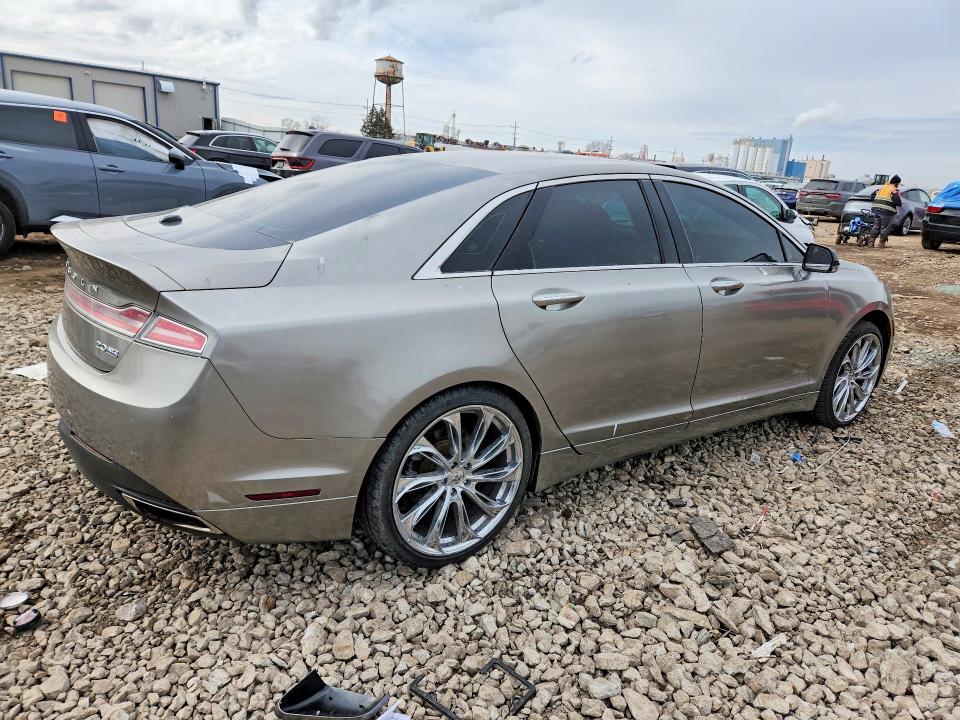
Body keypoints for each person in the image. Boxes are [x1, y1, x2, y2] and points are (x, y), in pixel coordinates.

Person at [869, 174, 902, 247]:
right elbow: (897, 202)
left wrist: (878, 202)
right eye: (898, 183)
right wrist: (900, 203)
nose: (898, 185)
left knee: (876, 226)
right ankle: (881, 243)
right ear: (896, 183)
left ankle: (871, 242)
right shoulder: (894, 190)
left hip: (876, 210)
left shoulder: (882, 188)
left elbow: (872, 196)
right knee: (885, 227)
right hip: (886, 212)